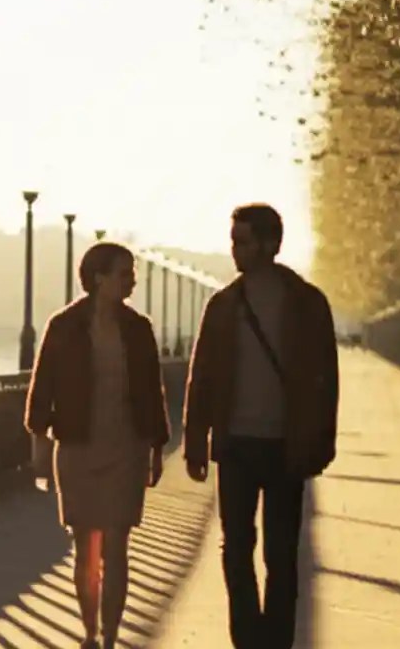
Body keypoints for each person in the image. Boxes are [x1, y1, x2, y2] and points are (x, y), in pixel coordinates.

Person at [183, 203, 340, 649]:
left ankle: (277, 640)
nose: (235, 250)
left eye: (244, 242)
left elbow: (326, 381)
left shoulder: (308, 304)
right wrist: (197, 443)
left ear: (271, 244)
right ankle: (248, 639)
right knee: (236, 549)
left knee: (281, 554)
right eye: (233, 241)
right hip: (235, 446)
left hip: (285, 447)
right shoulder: (223, 305)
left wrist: (320, 444)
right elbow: (202, 378)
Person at [24, 241, 170, 649]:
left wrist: (157, 448)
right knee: (86, 545)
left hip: (127, 447)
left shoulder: (138, 328)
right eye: (124, 273)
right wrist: (38, 445)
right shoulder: (64, 325)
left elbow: (152, 390)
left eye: (133, 272)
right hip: (78, 448)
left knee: (117, 545)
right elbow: (43, 385)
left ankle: (109, 638)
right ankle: (89, 630)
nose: (132, 280)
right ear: (99, 278)